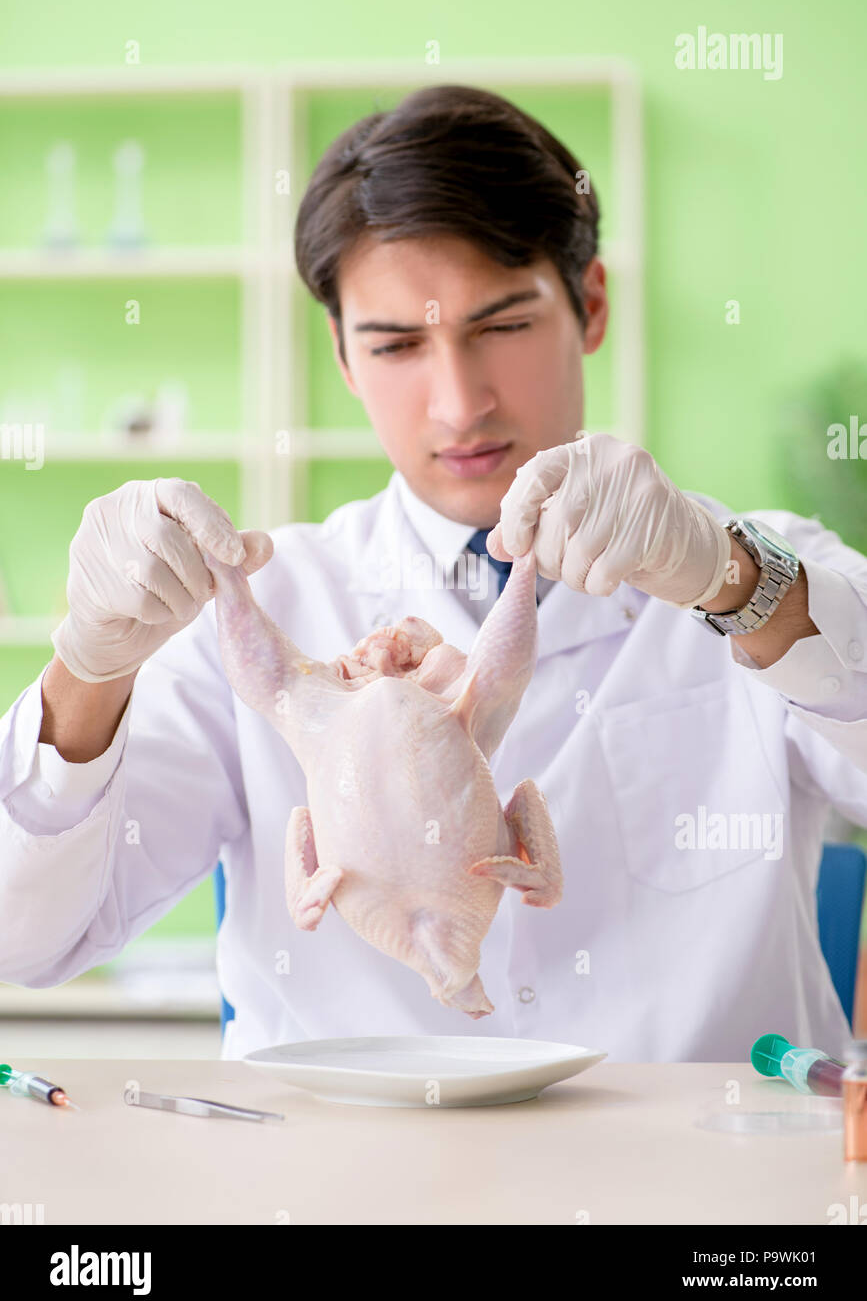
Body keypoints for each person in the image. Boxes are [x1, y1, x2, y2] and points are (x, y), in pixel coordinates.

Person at [1, 85, 865, 1063]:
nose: (458, 403)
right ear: (341, 352)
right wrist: (88, 665)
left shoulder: (752, 567)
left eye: (499, 325)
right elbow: (23, 938)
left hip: (711, 1193)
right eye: (398, 344)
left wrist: (736, 581)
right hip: (346, 1200)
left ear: (589, 305)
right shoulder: (273, 602)